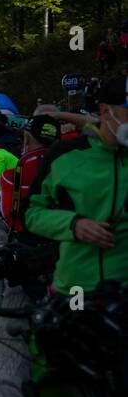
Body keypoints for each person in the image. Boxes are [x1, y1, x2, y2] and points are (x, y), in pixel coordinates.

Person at [25, 80, 128, 297]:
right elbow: (32, 213)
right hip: (77, 288)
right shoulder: (65, 154)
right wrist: (74, 225)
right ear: (105, 111)